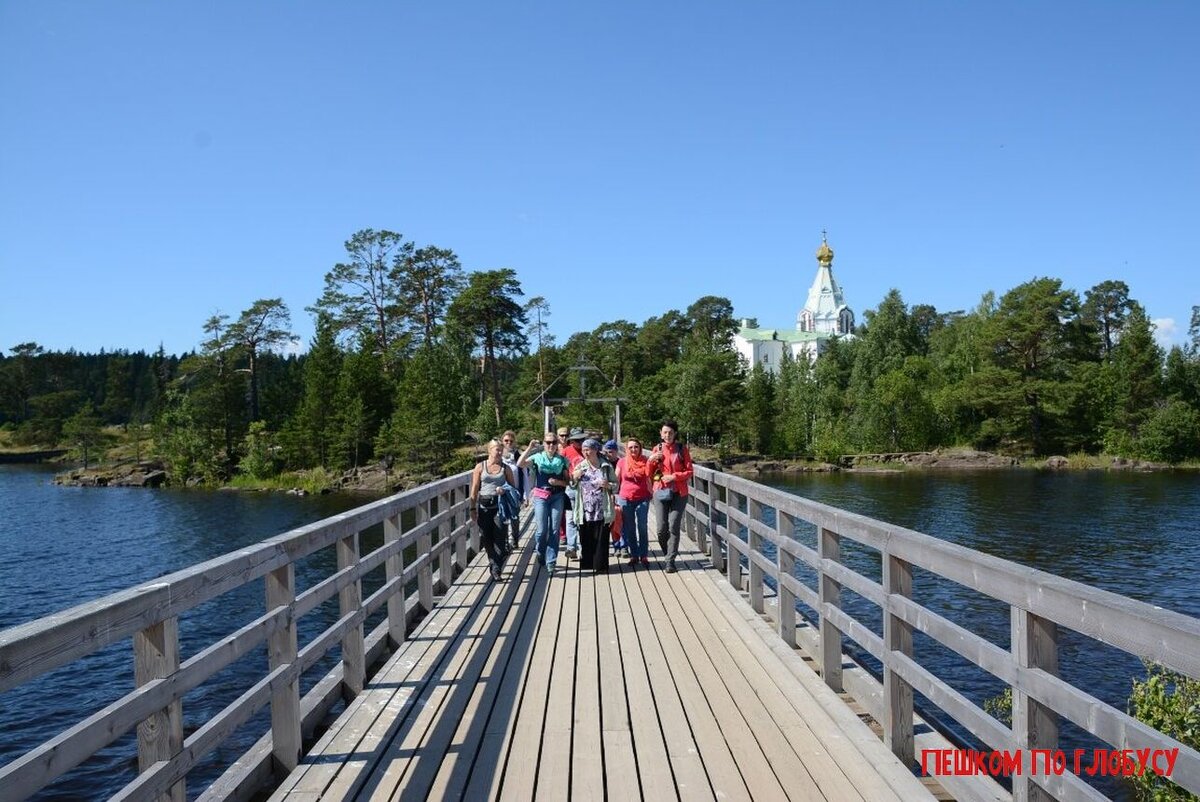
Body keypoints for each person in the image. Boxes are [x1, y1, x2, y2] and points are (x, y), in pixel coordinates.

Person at [518, 432, 570, 576]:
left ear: (557, 443)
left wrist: (558, 482)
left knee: (554, 529)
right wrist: (529, 448)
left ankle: (551, 561)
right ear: (544, 444)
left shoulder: (563, 460)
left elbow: (568, 482)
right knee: (541, 530)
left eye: (553, 442)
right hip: (541, 496)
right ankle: (540, 551)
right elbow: (520, 464)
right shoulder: (537, 458)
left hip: (557, 496)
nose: (551, 445)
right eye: (548, 442)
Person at [647, 419, 693, 573]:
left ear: (675, 434)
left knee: (673, 525)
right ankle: (668, 552)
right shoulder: (657, 449)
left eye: (670, 432)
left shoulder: (681, 449)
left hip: (679, 492)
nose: (667, 435)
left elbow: (690, 471)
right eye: (665, 432)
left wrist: (674, 476)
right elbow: (649, 473)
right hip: (660, 491)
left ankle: (670, 561)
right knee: (661, 528)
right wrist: (651, 461)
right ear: (661, 433)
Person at [470, 439, 517, 582]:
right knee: (487, 537)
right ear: (489, 450)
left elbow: (513, 489)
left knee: (500, 537)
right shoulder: (480, 467)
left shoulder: (506, 468)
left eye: (501, 449)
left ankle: (496, 567)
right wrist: (472, 508)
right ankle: (493, 563)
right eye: (497, 449)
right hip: (484, 507)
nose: (499, 452)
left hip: (500, 507)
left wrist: (504, 490)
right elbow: (474, 489)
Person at [571, 438, 616, 572]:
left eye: (588, 449)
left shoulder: (606, 466)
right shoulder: (580, 466)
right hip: (585, 508)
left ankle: (600, 565)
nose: (585, 452)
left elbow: (616, 484)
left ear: (596, 450)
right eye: (583, 450)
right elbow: (572, 485)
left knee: (601, 537)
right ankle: (588, 564)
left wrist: (608, 485)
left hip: (602, 507)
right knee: (586, 536)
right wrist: (575, 477)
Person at [617, 436, 652, 567]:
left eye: (636, 447)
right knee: (630, 528)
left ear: (640, 448)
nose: (633, 449)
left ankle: (644, 555)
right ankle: (634, 555)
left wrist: (653, 491)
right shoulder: (622, 462)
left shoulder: (646, 461)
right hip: (625, 498)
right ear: (627, 449)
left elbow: (651, 477)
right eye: (630, 447)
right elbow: (616, 478)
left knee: (642, 526)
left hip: (642, 497)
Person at [560, 427, 587, 559]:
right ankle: (571, 548)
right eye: (577, 440)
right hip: (571, 487)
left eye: (582, 439)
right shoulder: (566, 451)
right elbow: (561, 469)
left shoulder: (588, 449)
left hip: (587, 490)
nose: (580, 443)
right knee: (570, 518)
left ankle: (583, 548)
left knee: (583, 519)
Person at [499, 430, 525, 550]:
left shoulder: (518, 455)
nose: (508, 442)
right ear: (502, 441)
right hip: (501, 491)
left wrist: (526, 495)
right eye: (506, 440)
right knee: (503, 516)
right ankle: (504, 541)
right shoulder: (498, 455)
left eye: (511, 440)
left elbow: (525, 474)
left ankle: (514, 538)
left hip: (515, 491)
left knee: (514, 517)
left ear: (514, 442)